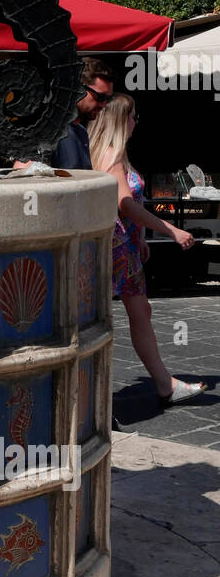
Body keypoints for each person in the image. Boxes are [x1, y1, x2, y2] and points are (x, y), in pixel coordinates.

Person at [90, 93, 206, 406]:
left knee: (137, 312)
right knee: (102, 320)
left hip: (121, 247)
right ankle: (102, 394)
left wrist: (139, 237)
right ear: (119, 119)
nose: (135, 122)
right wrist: (171, 230)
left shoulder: (105, 151)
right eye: (132, 116)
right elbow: (125, 204)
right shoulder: (112, 155)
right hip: (116, 250)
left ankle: (163, 383)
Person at [45, 56, 114, 168]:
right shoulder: (47, 130)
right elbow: (23, 177)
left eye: (108, 99)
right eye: (100, 97)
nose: (104, 104)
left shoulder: (81, 132)